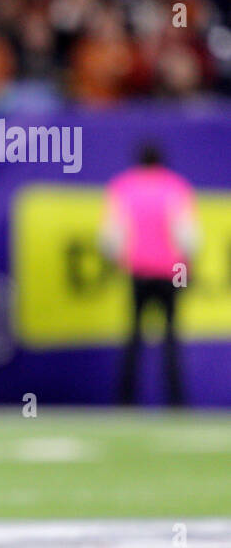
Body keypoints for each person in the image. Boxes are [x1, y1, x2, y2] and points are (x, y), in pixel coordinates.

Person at [101, 144, 199, 406]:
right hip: (171, 272)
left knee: (134, 336)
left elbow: (113, 232)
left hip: (139, 271)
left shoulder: (124, 186)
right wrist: (189, 266)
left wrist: (115, 260)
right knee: (170, 336)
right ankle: (176, 402)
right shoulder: (175, 186)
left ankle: (126, 402)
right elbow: (186, 233)